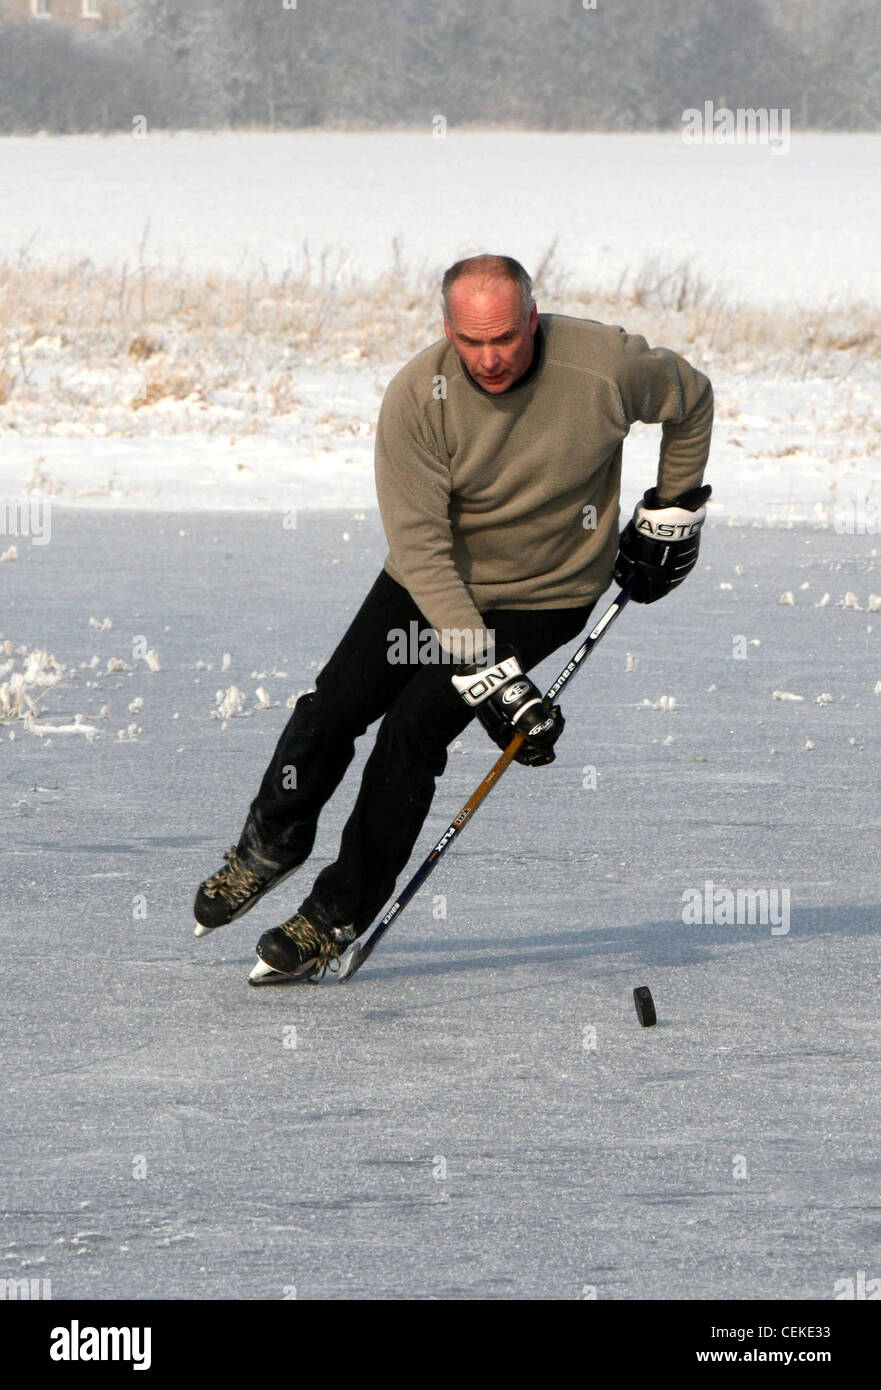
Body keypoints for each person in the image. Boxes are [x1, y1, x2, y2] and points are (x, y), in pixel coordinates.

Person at [193, 253, 713, 982]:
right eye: (471, 342)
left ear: (533, 319)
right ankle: (268, 844)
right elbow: (422, 551)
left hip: (547, 592)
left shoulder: (606, 366)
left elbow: (691, 400)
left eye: (504, 337)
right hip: (430, 583)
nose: (489, 357)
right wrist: (488, 677)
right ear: (446, 329)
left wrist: (673, 509)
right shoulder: (417, 396)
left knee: (414, 728)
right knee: (336, 704)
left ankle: (334, 913)